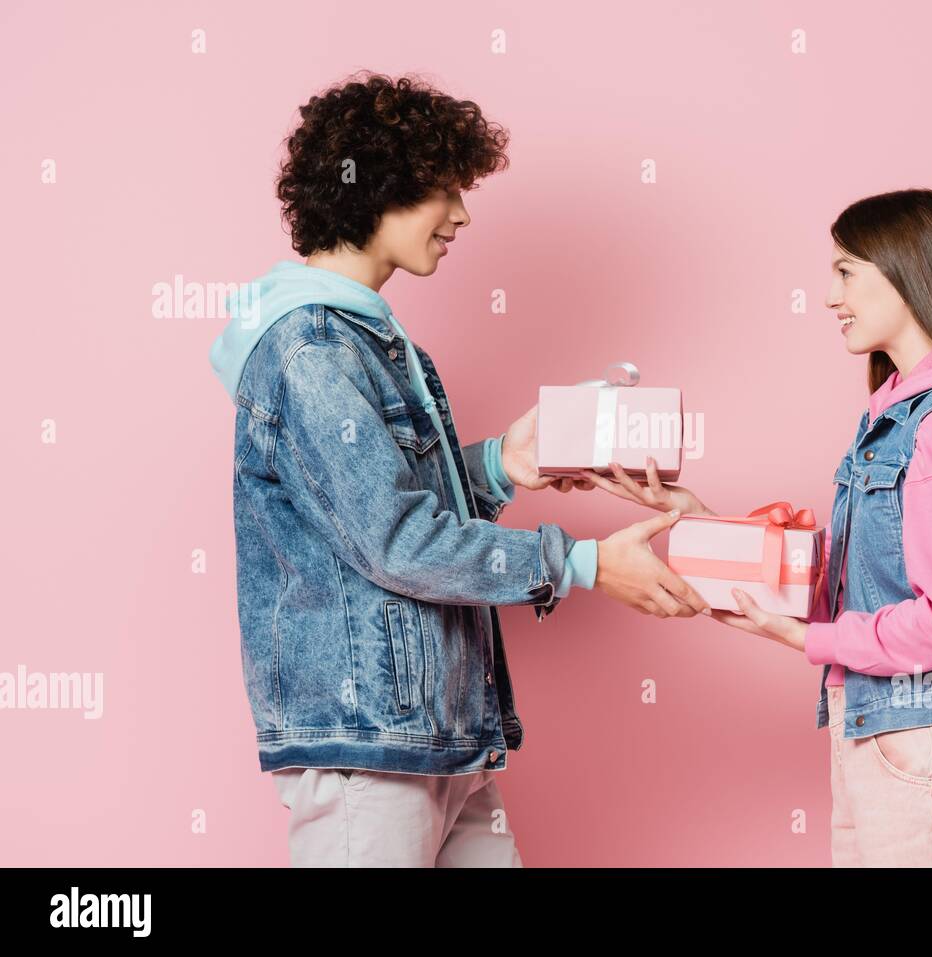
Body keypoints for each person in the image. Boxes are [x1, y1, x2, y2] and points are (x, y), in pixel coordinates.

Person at [209, 72, 709, 867]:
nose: (463, 213)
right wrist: (580, 562)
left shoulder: (370, 338)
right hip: (371, 747)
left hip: (442, 738)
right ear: (378, 187)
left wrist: (504, 462)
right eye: (445, 189)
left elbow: (388, 508)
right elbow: (398, 541)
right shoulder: (309, 351)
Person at [583, 189, 932, 867]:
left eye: (845, 272)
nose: (830, 297)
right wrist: (699, 518)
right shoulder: (894, 414)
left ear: (905, 269)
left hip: (929, 749)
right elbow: (854, 575)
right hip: (886, 746)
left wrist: (807, 638)